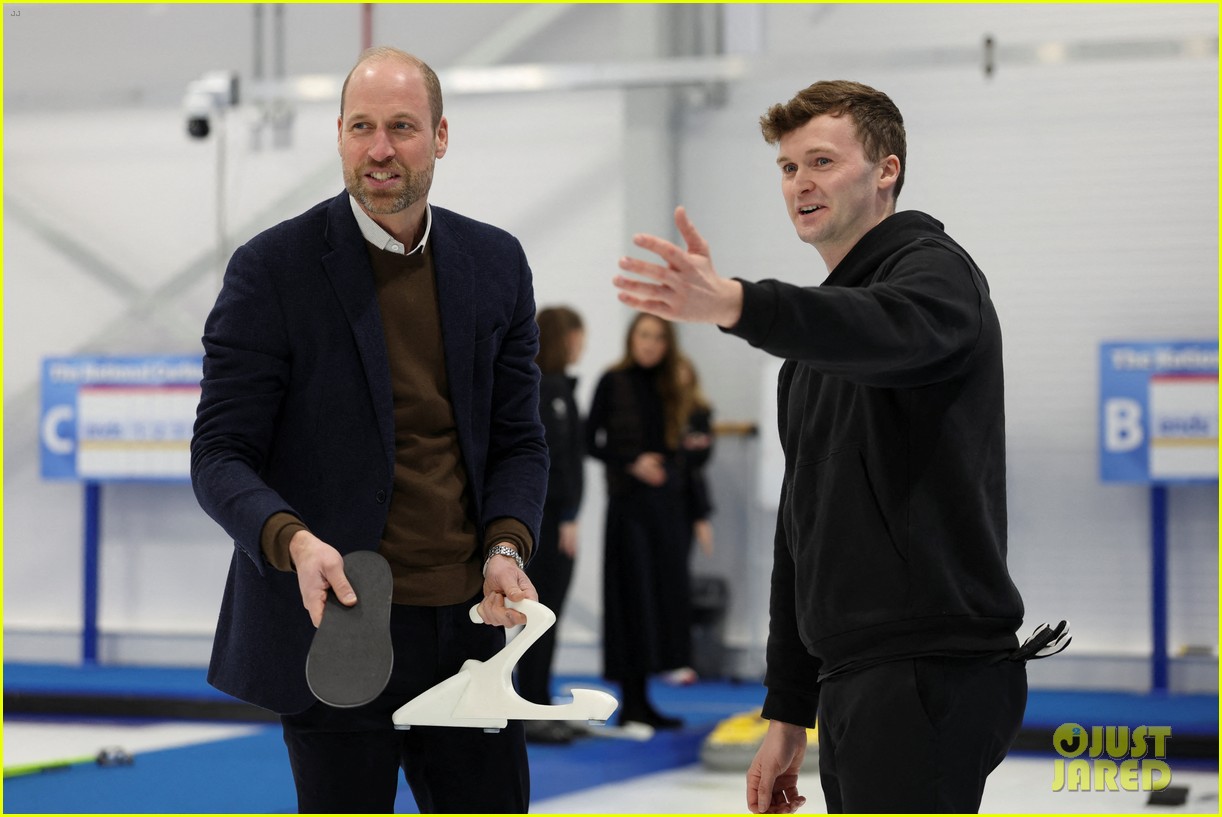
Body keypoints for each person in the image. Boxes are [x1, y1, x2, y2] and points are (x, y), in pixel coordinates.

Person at [613, 80, 1027, 813]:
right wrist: (787, 709)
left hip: (928, 666)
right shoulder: (806, 360)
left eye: (822, 161)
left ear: (886, 170)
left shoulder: (937, 272)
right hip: (856, 672)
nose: (800, 182)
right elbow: (799, 538)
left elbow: (883, 326)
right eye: (787, 167)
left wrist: (738, 303)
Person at [191, 46, 547, 814]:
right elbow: (219, 454)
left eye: (401, 127)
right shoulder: (272, 269)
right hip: (338, 626)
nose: (379, 148)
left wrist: (507, 546)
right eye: (361, 127)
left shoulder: (496, 263)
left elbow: (519, 438)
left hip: (467, 629)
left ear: (441, 136)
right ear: (340, 135)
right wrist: (292, 540)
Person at [585, 313, 693, 730]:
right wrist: (632, 463)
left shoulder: (672, 385)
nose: (650, 344)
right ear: (632, 338)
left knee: (661, 601)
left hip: (665, 508)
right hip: (629, 508)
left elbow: (686, 443)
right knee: (631, 601)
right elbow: (588, 440)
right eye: (644, 335)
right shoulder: (613, 381)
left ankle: (644, 700)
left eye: (659, 337)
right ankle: (630, 701)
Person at [517, 305, 587, 744]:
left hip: (559, 518)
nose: (583, 345)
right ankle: (532, 705)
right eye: (578, 336)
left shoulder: (561, 389)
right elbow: (550, 463)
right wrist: (563, 516)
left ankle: (539, 699)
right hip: (545, 522)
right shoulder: (543, 390)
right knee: (539, 616)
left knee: (548, 616)